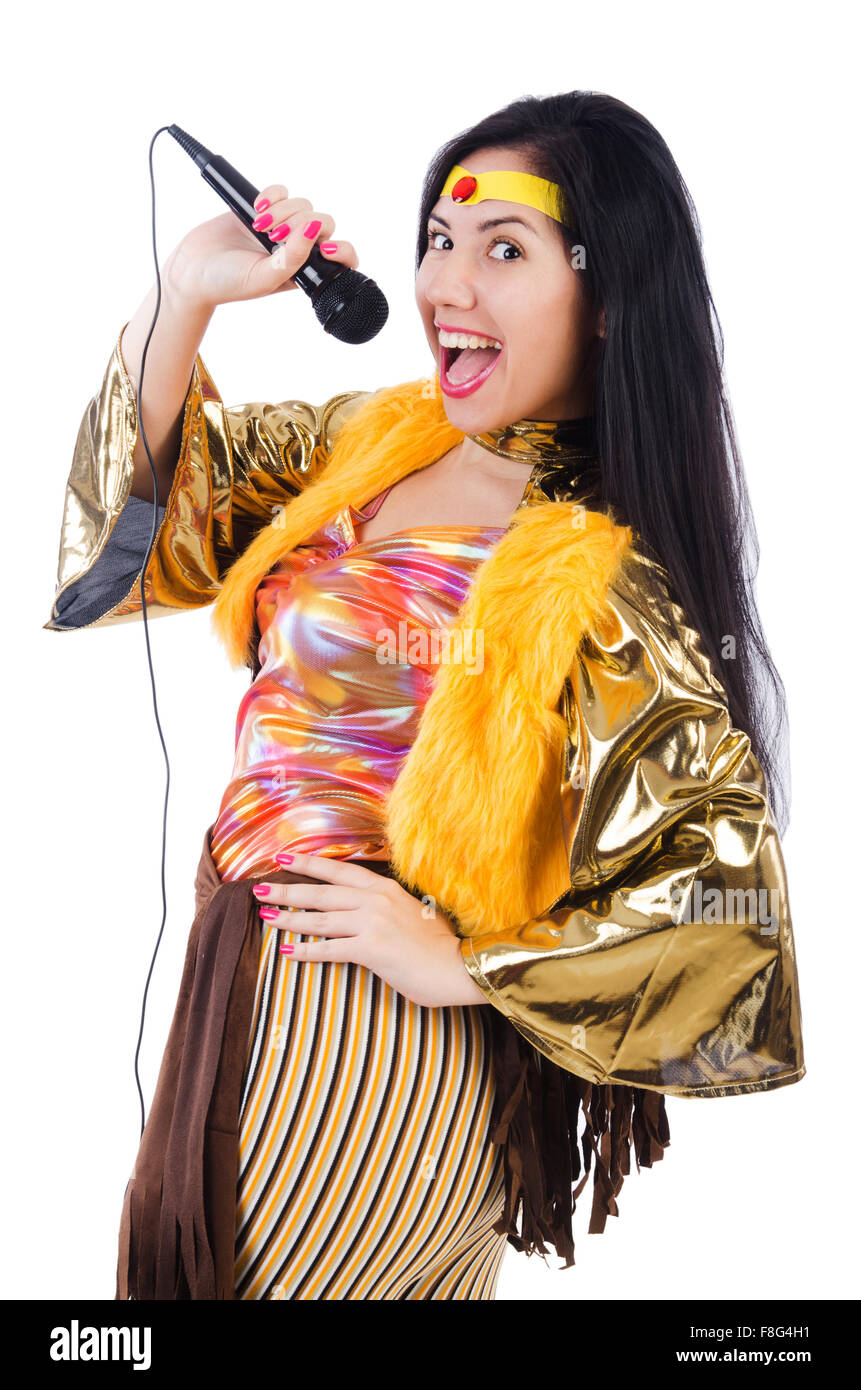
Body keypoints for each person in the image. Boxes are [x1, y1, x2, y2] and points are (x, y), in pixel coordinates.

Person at [45, 90, 805, 1302]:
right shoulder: (381, 439)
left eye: (505, 247)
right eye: (441, 241)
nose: (449, 283)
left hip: (371, 1054)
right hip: (241, 991)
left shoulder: (595, 569)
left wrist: (473, 965)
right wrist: (186, 292)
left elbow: (726, 919)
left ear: (607, 300)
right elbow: (149, 535)